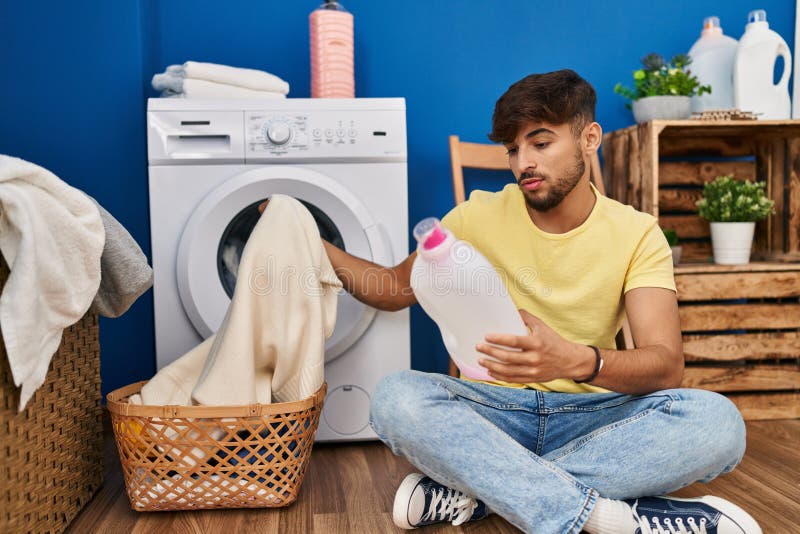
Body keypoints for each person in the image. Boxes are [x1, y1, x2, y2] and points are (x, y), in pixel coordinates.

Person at [260, 69, 759, 534]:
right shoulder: (476, 218)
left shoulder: (637, 234)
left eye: (540, 143)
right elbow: (393, 289)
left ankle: (481, 492)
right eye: (513, 149)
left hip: (597, 417)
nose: (524, 163)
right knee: (395, 399)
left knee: (718, 423)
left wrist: (578, 360)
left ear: (589, 139)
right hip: (497, 412)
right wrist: (307, 235)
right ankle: (604, 517)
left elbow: (665, 366)